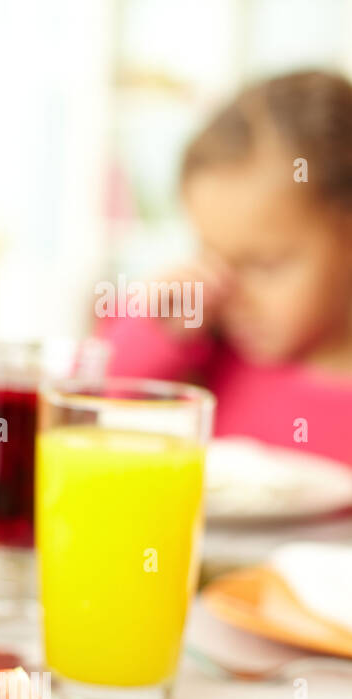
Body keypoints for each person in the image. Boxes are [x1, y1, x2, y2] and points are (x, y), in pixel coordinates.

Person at [102, 71, 352, 466]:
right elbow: (101, 405)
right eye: (213, 258)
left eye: (264, 265)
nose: (232, 291)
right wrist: (156, 326)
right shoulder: (205, 355)